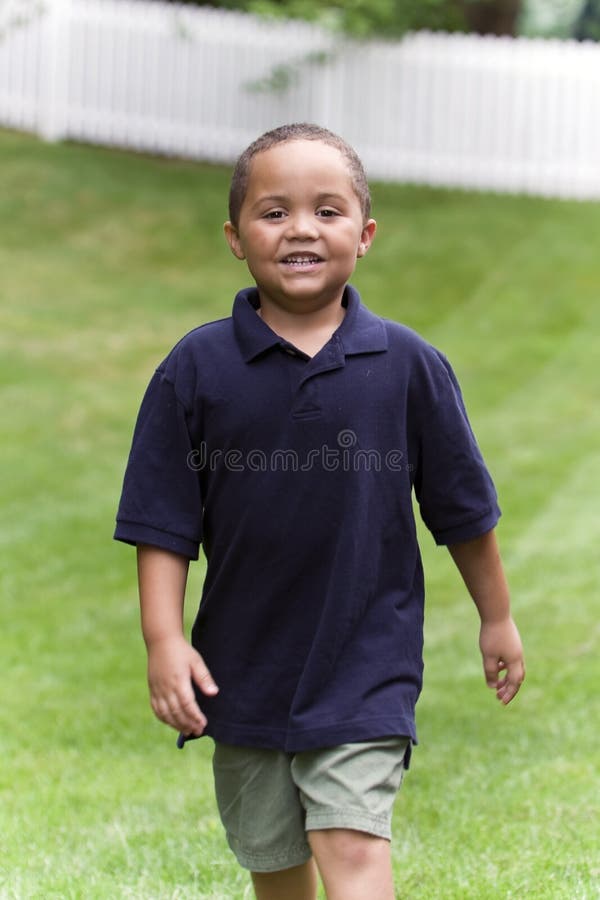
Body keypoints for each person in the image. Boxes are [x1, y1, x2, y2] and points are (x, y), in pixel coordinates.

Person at [114, 122, 525, 900]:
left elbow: (463, 509)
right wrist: (164, 640)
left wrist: (495, 617)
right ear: (235, 237)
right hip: (242, 671)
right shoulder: (195, 369)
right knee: (275, 866)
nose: (301, 228)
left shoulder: (407, 366)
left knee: (352, 842)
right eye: (274, 212)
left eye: (327, 211)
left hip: (365, 662)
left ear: (365, 235)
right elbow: (161, 523)